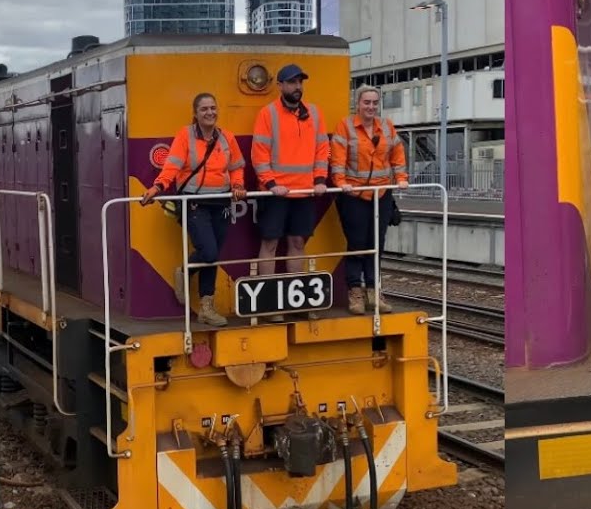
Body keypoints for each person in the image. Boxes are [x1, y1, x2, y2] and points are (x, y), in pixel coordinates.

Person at [141, 92, 247, 327]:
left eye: (213, 108)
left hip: (222, 203)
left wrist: (238, 185)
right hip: (194, 202)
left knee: (213, 256)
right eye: (204, 109)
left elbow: (237, 167)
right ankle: (185, 271)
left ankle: (207, 308)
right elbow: (171, 167)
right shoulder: (185, 136)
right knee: (208, 253)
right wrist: (158, 187)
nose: (210, 112)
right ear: (195, 113)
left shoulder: (227, 138)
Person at [250, 63, 329, 319]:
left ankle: (297, 304)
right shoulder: (268, 114)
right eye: (292, 82)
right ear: (280, 85)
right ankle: (269, 304)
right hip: (275, 193)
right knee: (270, 243)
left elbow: (322, 150)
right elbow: (259, 153)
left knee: (297, 243)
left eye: (300, 82)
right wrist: (271, 185)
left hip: (304, 192)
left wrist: (320, 179)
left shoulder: (314, 113)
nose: (297, 87)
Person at [330, 85, 409, 314]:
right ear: (358, 104)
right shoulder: (345, 126)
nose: (371, 107)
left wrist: (401, 178)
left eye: (375, 102)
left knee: (377, 243)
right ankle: (355, 291)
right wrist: (340, 182)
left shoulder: (386, 126)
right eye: (367, 102)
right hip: (354, 194)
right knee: (356, 244)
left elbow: (397, 154)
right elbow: (338, 158)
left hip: (381, 194)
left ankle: (374, 290)